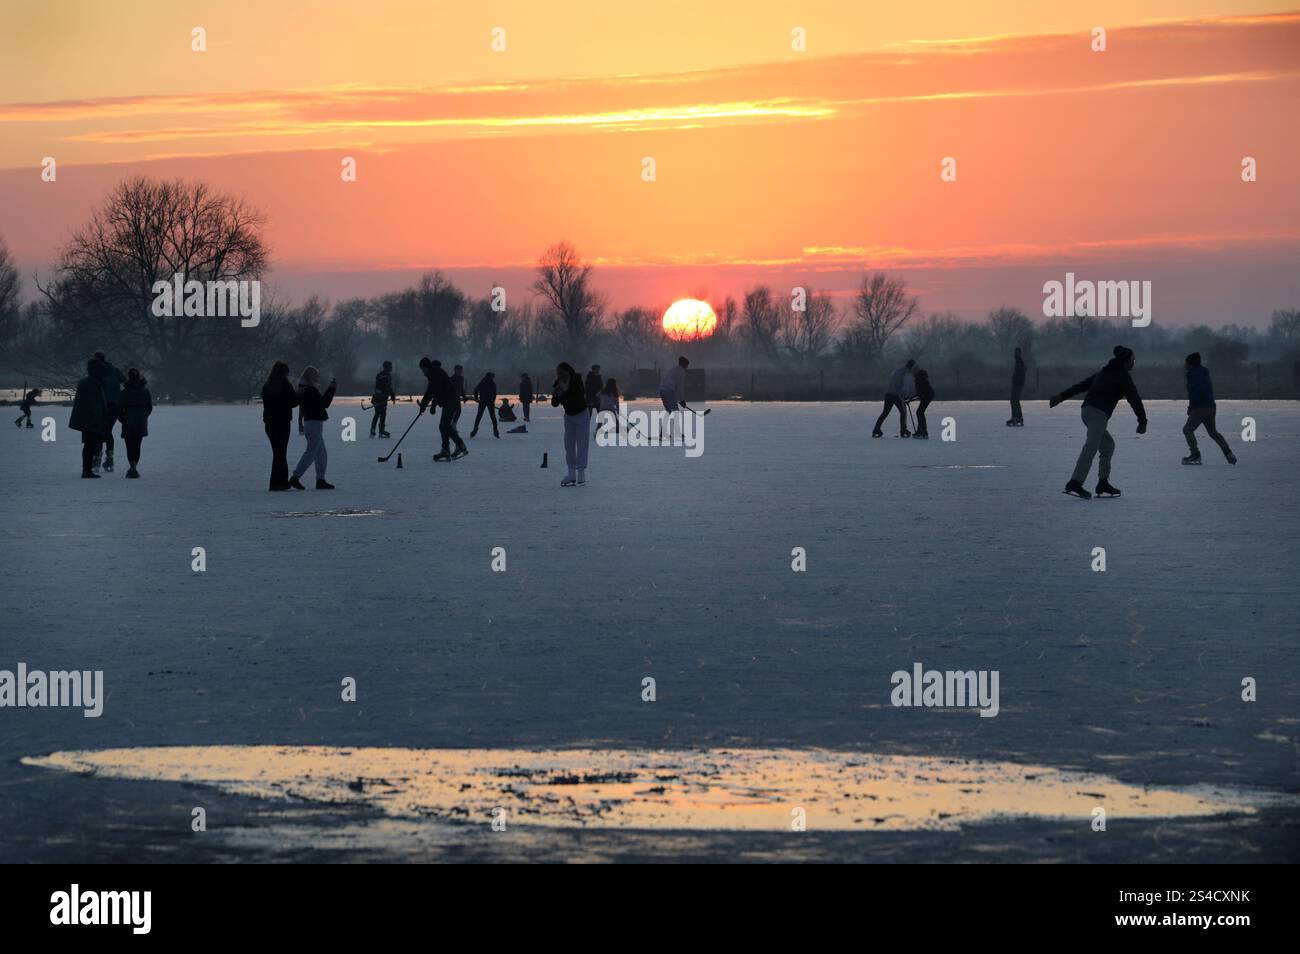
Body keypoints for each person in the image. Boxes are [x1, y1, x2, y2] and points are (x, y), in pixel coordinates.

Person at [1049, 345, 1147, 499]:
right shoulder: (1122, 376)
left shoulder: (1104, 371)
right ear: (1125, 361)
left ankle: (1103, 482)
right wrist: (1142, 421)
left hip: (1087, 411)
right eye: (1133, 359)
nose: (1134, 362)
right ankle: (1075, 482)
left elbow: (1082, 385)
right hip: (1098, 413)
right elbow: (1134, 399)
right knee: (1091, 447)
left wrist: (1061, 396)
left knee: (1107, 446)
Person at [1181, 352, 1237, 466]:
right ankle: (1228, 453)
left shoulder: (1194, 375)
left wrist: (1192, 407)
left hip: (1201, 408)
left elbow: (1195, 392)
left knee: (1187, 430)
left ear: (1191, 364)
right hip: (1211, 407)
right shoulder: (1203, 373)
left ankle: (1195, 455)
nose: (1184, 364)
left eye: (1186, 362)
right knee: (1213, 432)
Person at [290, 366, 336, 489]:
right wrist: (331, 389)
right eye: (315, 376)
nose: (317, 378)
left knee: (321, 453)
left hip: (310, 423)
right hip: (314, 423)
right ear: (311, 377)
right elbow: (324, 403)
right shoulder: (310, 390)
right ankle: (296, 477)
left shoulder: (303, 389)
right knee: (312, 452)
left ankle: (320, 480)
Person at [418, 357, 468, 461]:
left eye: (422, 369)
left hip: (451, 401)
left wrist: (432, 406)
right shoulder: (433, 373)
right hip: (448, 401)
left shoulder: (435, 373)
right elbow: (430, 391)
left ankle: (460, 445)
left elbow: (437, 390)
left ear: (426, 367)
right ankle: (446, 450)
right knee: (443, 426)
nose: (422, 372)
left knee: (444, 425)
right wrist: (423, 405)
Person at [69, 358, 110, 479]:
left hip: (89, 419)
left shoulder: (89, 382)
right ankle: (86, 470)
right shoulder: (91, 383)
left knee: (90, 445)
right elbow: (93, 404)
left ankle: (87, 469)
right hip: (91, 420)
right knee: (90, 445)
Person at [261, 361, 299, 491]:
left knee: (277, 453)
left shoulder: (267, 385)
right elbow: (294, 401)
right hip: (282, 422)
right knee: (281, 453)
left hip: (270, 424)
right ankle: (280, 482)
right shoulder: (285, 384)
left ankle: (276, 482)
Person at [553, 362, 589, 486]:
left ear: (568, 372)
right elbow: (554, 403)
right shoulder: (557, 384)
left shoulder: (577, 380)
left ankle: (581, 473)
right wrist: (556, 395)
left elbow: (579, 394)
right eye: (558, 373)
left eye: (561, 373)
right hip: (569, 416)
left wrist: (563, 392)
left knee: (582, 443)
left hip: (582, 414)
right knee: (569, 444)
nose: (559, 376)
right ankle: (571, 473)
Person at [92, 351, 125, 472]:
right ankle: (109, 457)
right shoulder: (113, 369)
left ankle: (96, 459)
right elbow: (123, 379)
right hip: (115, 406)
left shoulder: (97, 371)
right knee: (108, 431)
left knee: (99, 432)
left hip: (102, 405)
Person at [117, 368, 152, 478]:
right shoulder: (145, 391)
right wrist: (144, 416)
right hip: (141, 421)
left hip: (128, 420)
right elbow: (149, 407)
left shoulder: (125, 392)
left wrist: (122, 418)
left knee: (129, 445)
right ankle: (134, 466)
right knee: (137, 445)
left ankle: (132, 465)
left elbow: (119, 407)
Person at [872, 359, 915, 438]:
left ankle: (876, 429)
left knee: (885, 413)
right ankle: (903, 430)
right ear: (912, 367)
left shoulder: (897, 370)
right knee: (903, 412)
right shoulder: (907, 373)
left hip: (888, 393)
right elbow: (905, 387)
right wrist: (906, 396)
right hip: (897, 395)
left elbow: (891, 380)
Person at [659, 355, 689, 440]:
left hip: (662, 391)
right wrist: (682, 400)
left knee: (668, 411)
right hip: (669, 391)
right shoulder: (681, 372)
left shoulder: (673, 369)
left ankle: (662, 434)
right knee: (676, 412)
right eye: (687, 366)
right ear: (685, 365)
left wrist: (676, 398)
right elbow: (680, 387)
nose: (687, 368)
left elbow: (669, 382)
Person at [370, 360, 396, 438]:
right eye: (390, 366)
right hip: (380, 398)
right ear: (387, 367)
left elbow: (388, 388)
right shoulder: (384, 376)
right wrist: (391, 395)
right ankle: (376, 430)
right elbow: (386, 388)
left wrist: (391, 395)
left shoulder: (384, 375)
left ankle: (377, 430)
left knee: (381, 414)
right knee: (380, 413)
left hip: (380, 398)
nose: (392, 368)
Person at [470, 371, 500, 438]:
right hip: (487, 402)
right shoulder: (491, 383)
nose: (492, 378)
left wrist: (476, 398)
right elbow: (494, 393)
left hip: (483, 401)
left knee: (479, 416)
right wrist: (492, 400)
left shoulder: (483, 382)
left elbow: (476, 390)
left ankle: (475, 430)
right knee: (492, 417)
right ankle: (495, 431)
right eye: (492, 377)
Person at [911, 366, 934, 438]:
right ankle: (923, 431)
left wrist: (911, 398)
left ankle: (921, 431)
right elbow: (920, 392)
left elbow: (920, 392)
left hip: (926, 396)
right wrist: (911, 398)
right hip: (928, 395)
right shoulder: (922, 376)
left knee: (919, 412)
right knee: (920, 412)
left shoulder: (918, 378)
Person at [1007, 347, 1026, 426]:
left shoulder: (1019, 361)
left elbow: (1022, 372)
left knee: (1014, 400)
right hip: (1016, 383)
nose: (1015, 354)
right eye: (1015, 352)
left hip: (1018, 384)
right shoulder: (1018, 361)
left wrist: (1017, 381)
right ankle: (1018, 417)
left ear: (1019, 353)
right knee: (1014, 400)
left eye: (1017, 352)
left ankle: (1016, 417)